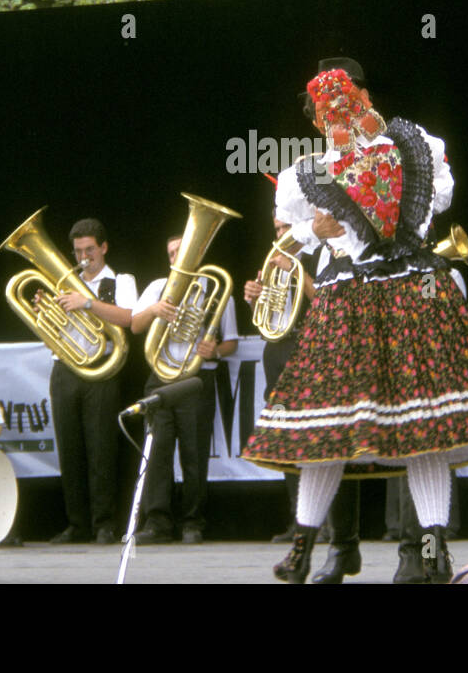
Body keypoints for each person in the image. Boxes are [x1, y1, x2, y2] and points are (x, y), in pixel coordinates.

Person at [244, 65, 468, 583]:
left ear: (361, 101)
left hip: (404, 288)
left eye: (343, 107)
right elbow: (291, 238)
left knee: (423, 423)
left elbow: (435, 203)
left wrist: (370, 205)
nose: (338, 119)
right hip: (352, 295)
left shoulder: (410, 146)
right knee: (329, 423)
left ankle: (430, 546)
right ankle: (307, 545)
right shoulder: (310, 170)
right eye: (329, 114)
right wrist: (313, 227)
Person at [131, 233, 239, 544]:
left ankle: (193, 521)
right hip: (161, 377)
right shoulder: (156, 288)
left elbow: (231, 342)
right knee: (157, 451)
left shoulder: (219, 292)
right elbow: (136, 326)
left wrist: (215, 350)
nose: (177, 257)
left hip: (195, 378)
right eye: (172, 253)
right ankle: (157, 522)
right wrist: (154, 311)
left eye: (183, 250)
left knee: (194, 453)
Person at [44, 218, 137, 545]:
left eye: (89, 250)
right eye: (78, 251)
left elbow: (128, 318)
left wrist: (85, 302)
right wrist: (46, 314)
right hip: (65, 369)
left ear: (103, 247)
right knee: (70, 450)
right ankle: (76, 524)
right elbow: (50, 335)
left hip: (102, 368)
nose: (83, 257)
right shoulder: (62, 283)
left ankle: (104, 524)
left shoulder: (120, 280)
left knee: (101, 449)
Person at [241, 212, 316, 545]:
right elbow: (269, 316)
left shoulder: (317, 254)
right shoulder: (271, 263)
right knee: (285, 438)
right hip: (278, 350)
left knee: (316, 435)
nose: (281, 234)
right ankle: (298, 521)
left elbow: (327, 299)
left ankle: (325, 521)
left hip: (310, 348)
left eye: (287, 227)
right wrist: (255, 296)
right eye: (277, 229)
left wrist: (296, 271)